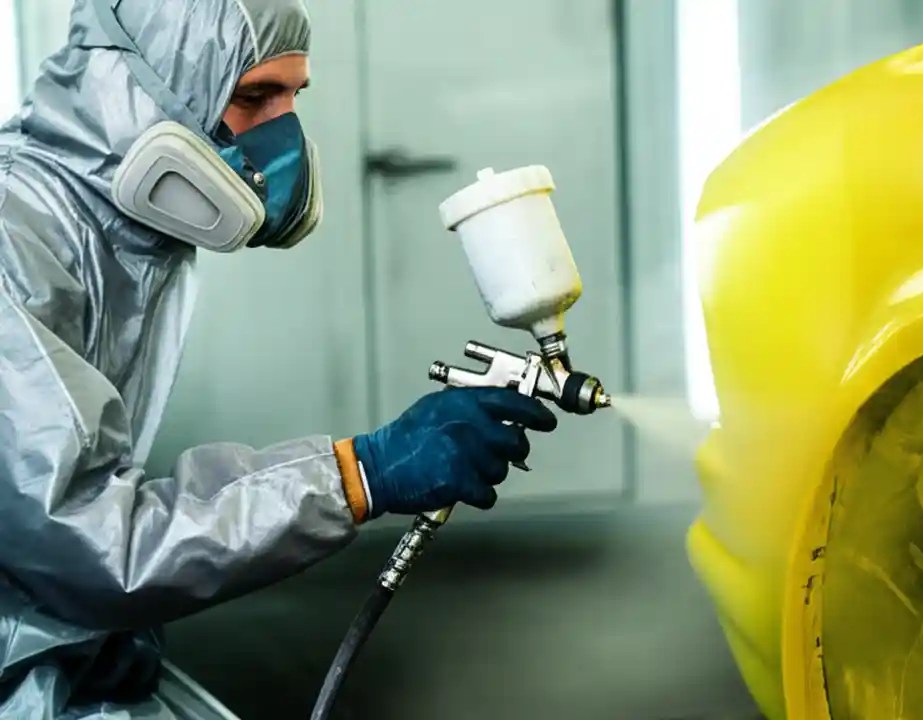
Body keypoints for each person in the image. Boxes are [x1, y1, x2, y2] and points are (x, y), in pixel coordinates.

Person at [0, 0, 558, 716]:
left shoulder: (111, 231)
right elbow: (91, 542)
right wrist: (358, 474)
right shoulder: (15, 247)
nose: (283, 132)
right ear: (141, 93)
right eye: (254, 96)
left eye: (295, 96)